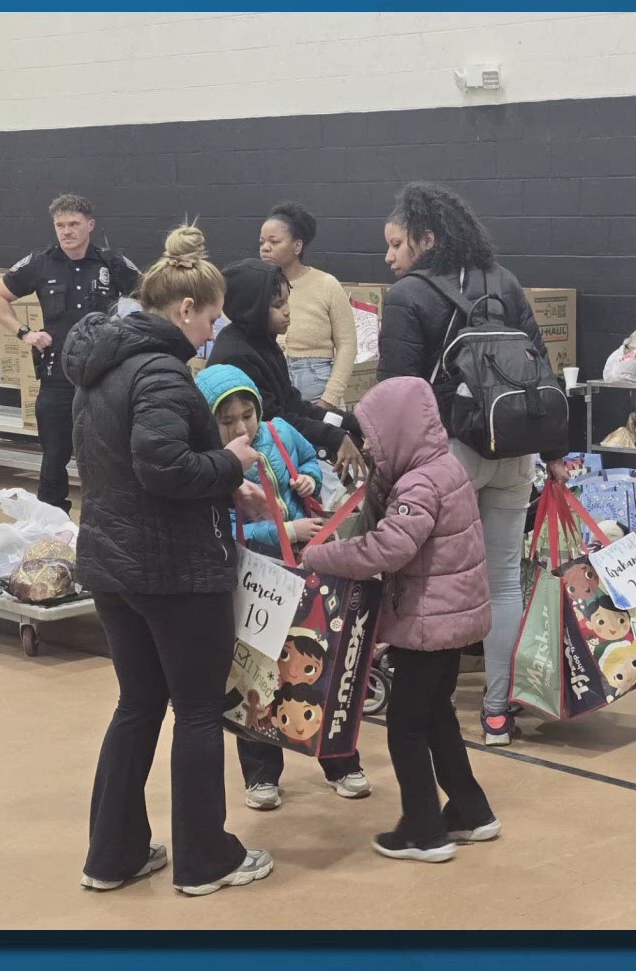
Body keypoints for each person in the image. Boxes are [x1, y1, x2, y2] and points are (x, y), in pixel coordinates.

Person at [63, 223, 273, 897]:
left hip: (114, 565)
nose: (213, 332)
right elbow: (161, 466)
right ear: (185, 309)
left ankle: (113, 855)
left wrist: (221, 482)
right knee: (198, 712)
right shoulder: (158, 370)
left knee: (138, 705)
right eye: (211, 318)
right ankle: (206, 860)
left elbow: (138, 468)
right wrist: (231, 461)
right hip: (174, 572)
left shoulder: (101, 367)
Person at [376, 181, 569, 746]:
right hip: (514, 451)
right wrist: (555, 455)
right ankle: (497, 713)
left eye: (396, 244)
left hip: (447, 457)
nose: (389, 257)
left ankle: (429, 705)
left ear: (426, 239)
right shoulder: (504, 281)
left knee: (435, 582)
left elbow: (397, 393)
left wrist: (390, 469)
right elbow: (541, 369)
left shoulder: (407, 297)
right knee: (502, 582)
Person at [302, 377, 500, 863]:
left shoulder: (417, 485)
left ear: (397, 429)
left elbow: (388, 548)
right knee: (436, 715)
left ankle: (423, 831)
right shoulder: (443, 468)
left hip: (427, 622)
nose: (368, 446)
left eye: (373, 435)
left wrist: (320, 556)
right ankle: (471, 810)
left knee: (405, 724)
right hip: (452, 618)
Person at [194, 362, 373, 807]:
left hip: (309, 571)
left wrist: (310, 476)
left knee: (322, 663)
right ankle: (260, 774)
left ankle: (341, 760)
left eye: (248, 415)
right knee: (257, 672)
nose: (242, 428)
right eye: (227, 420)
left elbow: (311, 459)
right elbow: (220, 526)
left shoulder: (279, 433)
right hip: (257, 580)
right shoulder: (210, 465)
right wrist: (285, 531)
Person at [0, 194, 140, 514]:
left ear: (90, 225)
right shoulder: (40, 263)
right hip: (57, 375)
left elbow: (150, 297)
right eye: (60, 225)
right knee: (54, 455)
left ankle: (109, 519)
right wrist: (25, 332)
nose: (66, 231)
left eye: (73, 224)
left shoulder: (111, 263)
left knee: (106, 453)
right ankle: (50, 524)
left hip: (103, 376)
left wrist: (127, 334)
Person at [208, 257, 368, 483]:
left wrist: (350, 423)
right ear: (252, 309)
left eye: (286, 302)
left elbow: (294, 404)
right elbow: (275, 420)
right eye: (277, 305)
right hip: (254, 469)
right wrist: (335, 437)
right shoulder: (238, 356)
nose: (287, 311)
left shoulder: (265, 343)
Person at [262, 202, 358, 409]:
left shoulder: (327, 284)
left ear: (297, 246)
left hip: (319, 387)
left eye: (274, 241)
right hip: (274, 385)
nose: (265, 247)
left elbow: (347, 344)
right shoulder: (258, 287)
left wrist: (329, 399)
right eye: (262, 242)